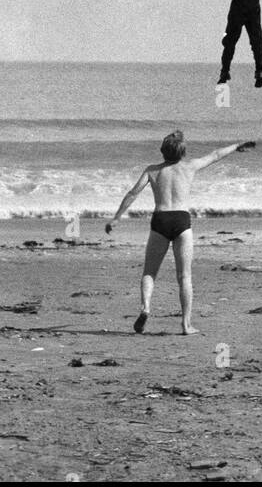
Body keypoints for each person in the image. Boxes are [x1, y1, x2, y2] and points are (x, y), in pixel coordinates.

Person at [106, 131, 254, 335]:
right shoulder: (189, 166)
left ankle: (146, 308)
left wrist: (116, 218)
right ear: (183, 152)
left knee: (149, 272)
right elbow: (216, 154)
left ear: (162, 150)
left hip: (160, 220)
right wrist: (237, 146)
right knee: (184, 277)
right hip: (181, 220)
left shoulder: (152, 170)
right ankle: (185, 325)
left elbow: (132, 193)